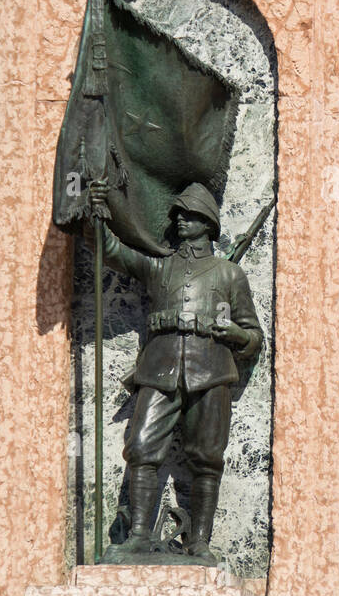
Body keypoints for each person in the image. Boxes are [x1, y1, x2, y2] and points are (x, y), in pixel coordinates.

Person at [88, 180, 262, 560]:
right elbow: (112, 251)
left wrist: (234, 332)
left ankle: (198, 540)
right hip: (159, 368)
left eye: (190, 215)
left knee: (207, 458)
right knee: (140, 449)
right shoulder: (160, 267)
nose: (181, 221)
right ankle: (137, 535)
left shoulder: (229, 275)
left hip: (211, 371)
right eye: (179, 215)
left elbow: (254, 337)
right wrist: (96, 214)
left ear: (208, 224)